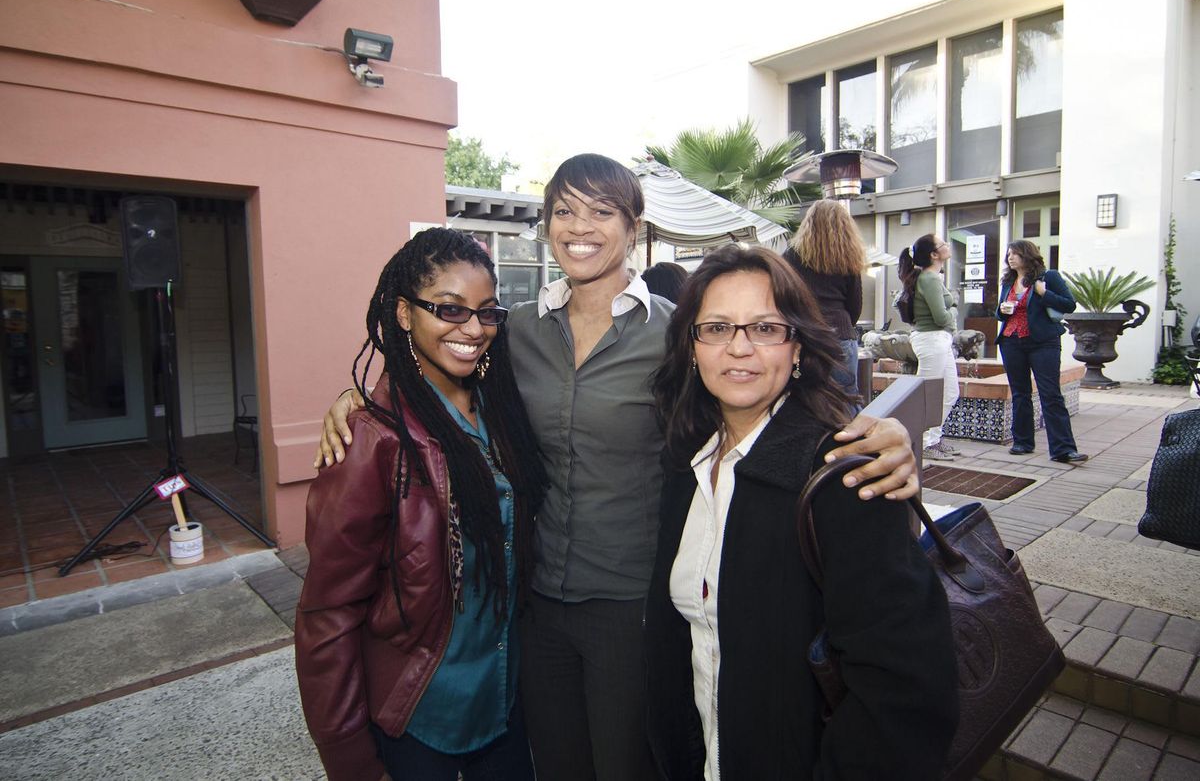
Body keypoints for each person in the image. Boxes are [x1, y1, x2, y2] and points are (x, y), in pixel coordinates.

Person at [314, 154, 924, 781]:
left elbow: (762, 385)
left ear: (633, 227)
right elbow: (439, 359)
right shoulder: (515, 329)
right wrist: (362, 398)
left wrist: (881, 430)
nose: (581, 226)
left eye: (602, 211)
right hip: (537, 604)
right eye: (563, 210)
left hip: (632, 605)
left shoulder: (675, 333)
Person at [644, 243, 959, 780]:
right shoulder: (685, 464)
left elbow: (905, 693)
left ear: (797, 350)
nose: (738, 348)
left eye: (764, 328)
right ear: (692, 348)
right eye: (717, 328)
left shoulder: (843, 477)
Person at [294, 228, 548, 781]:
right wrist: (350, 761)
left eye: (486, 312)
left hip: (504, 700)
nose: (473, 330)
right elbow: (327, 615)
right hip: (420, 716)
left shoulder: (501, 408)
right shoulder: (372, 438)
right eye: (449, 310)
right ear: (405, 314)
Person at [996, 240, 1088, 463]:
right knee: (1020, 393)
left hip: (1043, 342)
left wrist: (1043, 293)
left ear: (1027, 255)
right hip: (1011, 341)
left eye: (1015, 253)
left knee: (1050, 393)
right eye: (1009, 254)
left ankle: (1063, 449)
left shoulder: (1049, 277)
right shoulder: (1008, 281)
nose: (1010, 257)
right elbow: (1000, 314)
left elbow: (1069, 304)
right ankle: (1022, 442)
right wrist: (1001, 310)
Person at [783, 199, 865, 404]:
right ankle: (851, 436)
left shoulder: (792, 256)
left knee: (806, 399)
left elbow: (783, 297)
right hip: (841, 336)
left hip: (806, 335)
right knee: (847, 397)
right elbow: (855, 306)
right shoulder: (849, 256)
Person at [898, 234, 961, 461]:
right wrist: (954, 308)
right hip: (931, 339)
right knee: (927, 394)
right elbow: (942, 317)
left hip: (936, 340)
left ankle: (933, 438)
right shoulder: (930, 279)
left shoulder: (931, 277)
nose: (948, 246)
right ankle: (922, 442)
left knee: (950, 392)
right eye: (943, 244)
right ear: (934, 254)